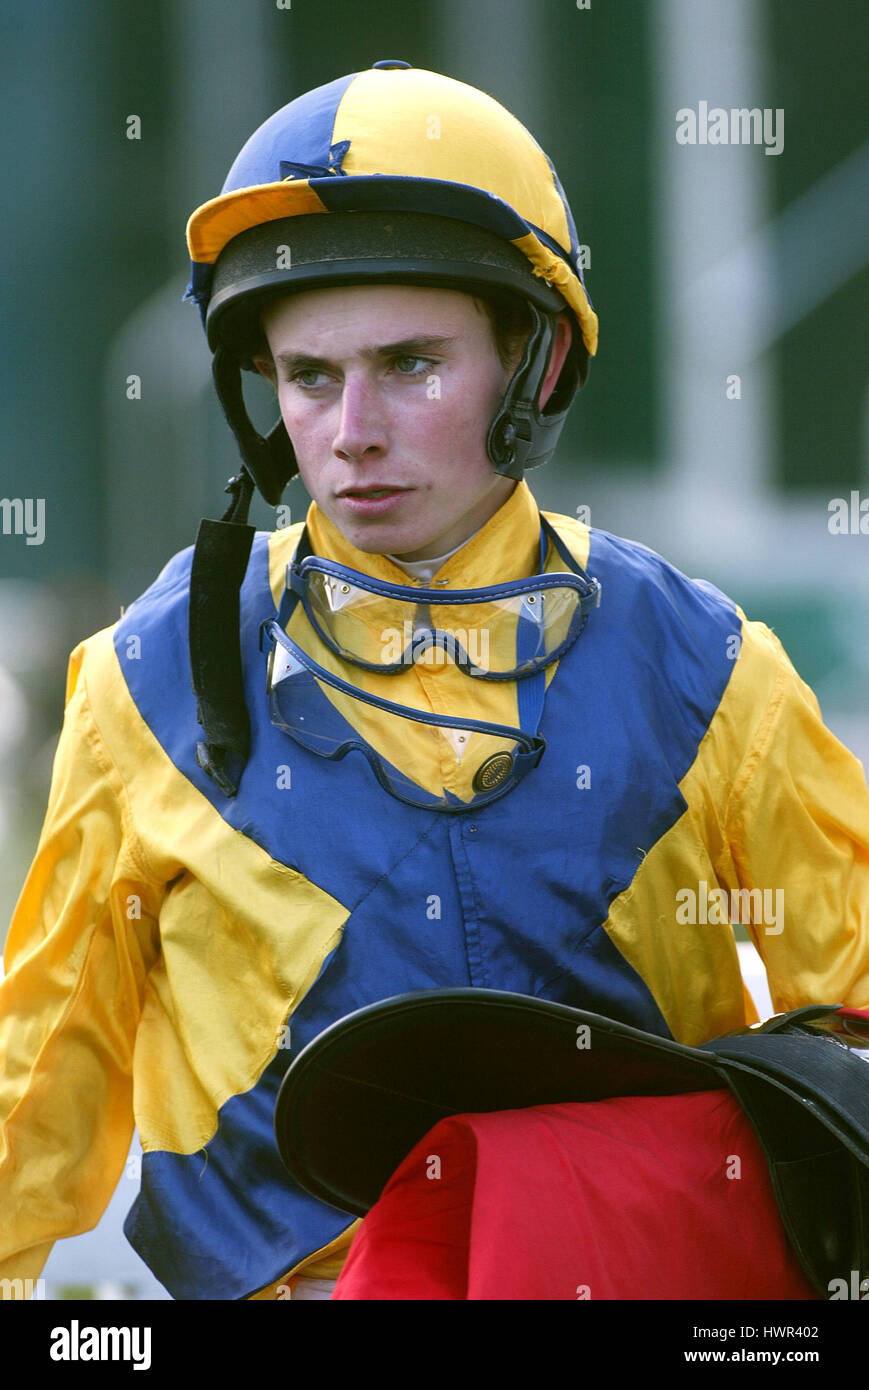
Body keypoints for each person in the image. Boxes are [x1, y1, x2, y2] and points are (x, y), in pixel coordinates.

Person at [1, 60, 868, 1303]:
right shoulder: (142, 681)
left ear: (538, 368)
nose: (351, 428)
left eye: (410, 363)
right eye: (308, 376)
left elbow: (848, 1042)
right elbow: (30, 1106)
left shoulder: (713, 669)